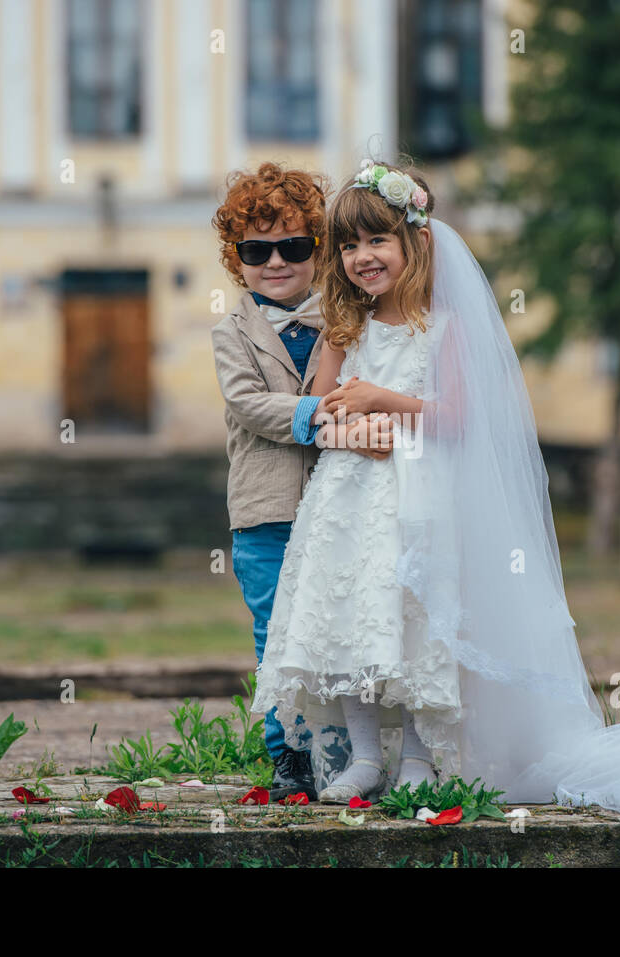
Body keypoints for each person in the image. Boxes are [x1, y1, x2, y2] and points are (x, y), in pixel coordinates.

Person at [252, 160, 620, 867]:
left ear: (414, 241)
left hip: (420, 496)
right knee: (350, 623)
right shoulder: (346, 325)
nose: (361, 258)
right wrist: (351, 421)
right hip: (348, 496)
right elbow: (325, 406)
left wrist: (383, 403)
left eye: (376, 242)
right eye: (348, 246)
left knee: (418, 620)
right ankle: (365, 755)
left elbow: (456, 418)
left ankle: (422, 756)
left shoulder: (443, 326)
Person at [209, 162, 367, 801]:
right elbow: (248, 403)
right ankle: (288, 756)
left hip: (338, 505)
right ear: (236, 258)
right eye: (257, 250)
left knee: (342, 626)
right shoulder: (231, 333)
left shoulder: (346, 318)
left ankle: (351, 750)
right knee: (277, 635)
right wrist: (318, 412)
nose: (276, 262)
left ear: (318, 250)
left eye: (294, 247)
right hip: (266, 511)